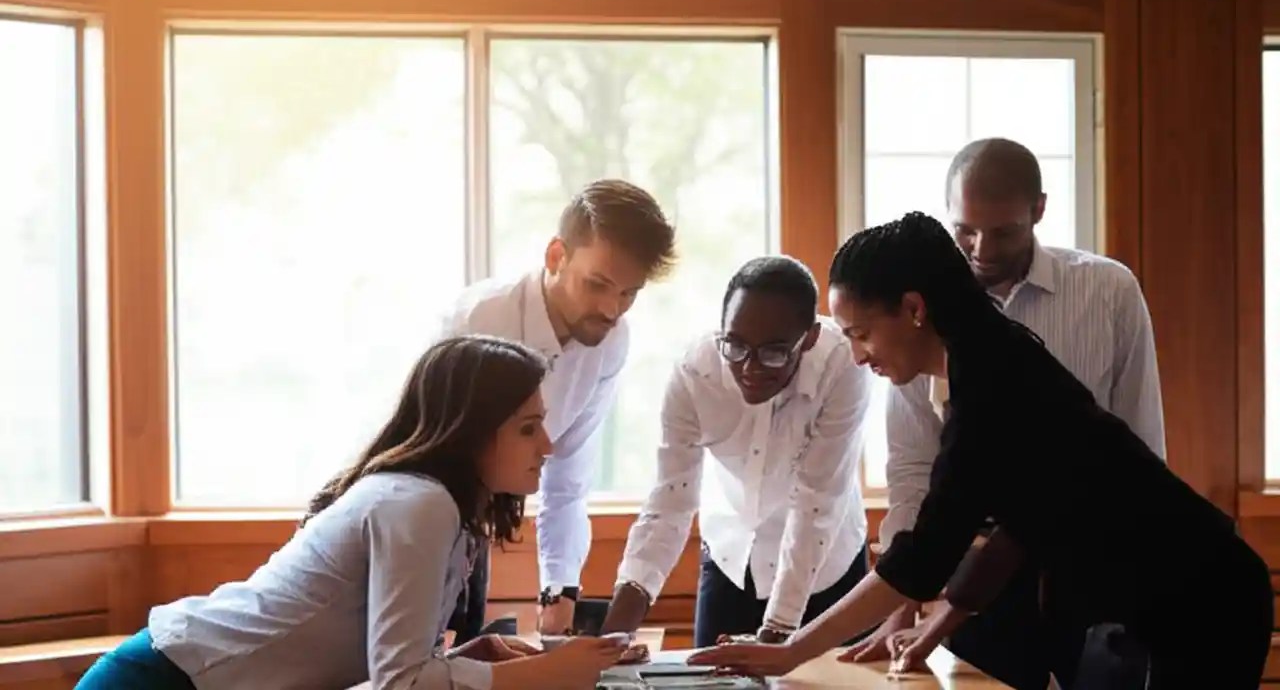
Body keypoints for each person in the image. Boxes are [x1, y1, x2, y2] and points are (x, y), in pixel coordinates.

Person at [687, 213, 1273, 690]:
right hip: (1155, 602)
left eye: (862, 333)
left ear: (914, 310)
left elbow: (920, 561)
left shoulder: (991, 388)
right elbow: (1024, 518)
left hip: (1203, 601)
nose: (860, 356)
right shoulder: (983, 361)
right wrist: (945, 618)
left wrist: (790, 650)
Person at [76, 336, 627, 690]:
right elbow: (402, 683)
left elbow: (399, 669)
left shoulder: (448, 510)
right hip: (161, 679)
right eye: (528, 428)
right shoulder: (420, 504)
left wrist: (481, 659)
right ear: (473, 431)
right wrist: (546, 674)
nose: (548, 446)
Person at [851, 137, 1165, 689]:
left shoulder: (1107, 291)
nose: (980, 249)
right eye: (964, 231)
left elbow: (1143, 442)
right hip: (973, 576)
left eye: (1003, 232)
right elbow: (911, 473)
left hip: (1089, 561)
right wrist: (899, 605)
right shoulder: (916, 314)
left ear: (1039, 210)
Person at [435, 179, 677, 639]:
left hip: (478, 525)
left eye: (629, 294)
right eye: (598, 284)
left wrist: (558, 592)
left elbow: (567, 476)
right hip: (427, 513)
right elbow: (435, 456)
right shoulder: (482, 319)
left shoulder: (611, 343)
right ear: (555, 257)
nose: (611, 309)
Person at [599, 256, 873, 648]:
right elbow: (670, 501)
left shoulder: (842, 363)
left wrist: (776, 634)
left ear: (808, 338)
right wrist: (613, 636)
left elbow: (817, 502)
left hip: (827, 567)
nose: (750, 367)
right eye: (736, 346)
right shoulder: (695, 374)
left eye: (774, 352)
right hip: (732, 558)